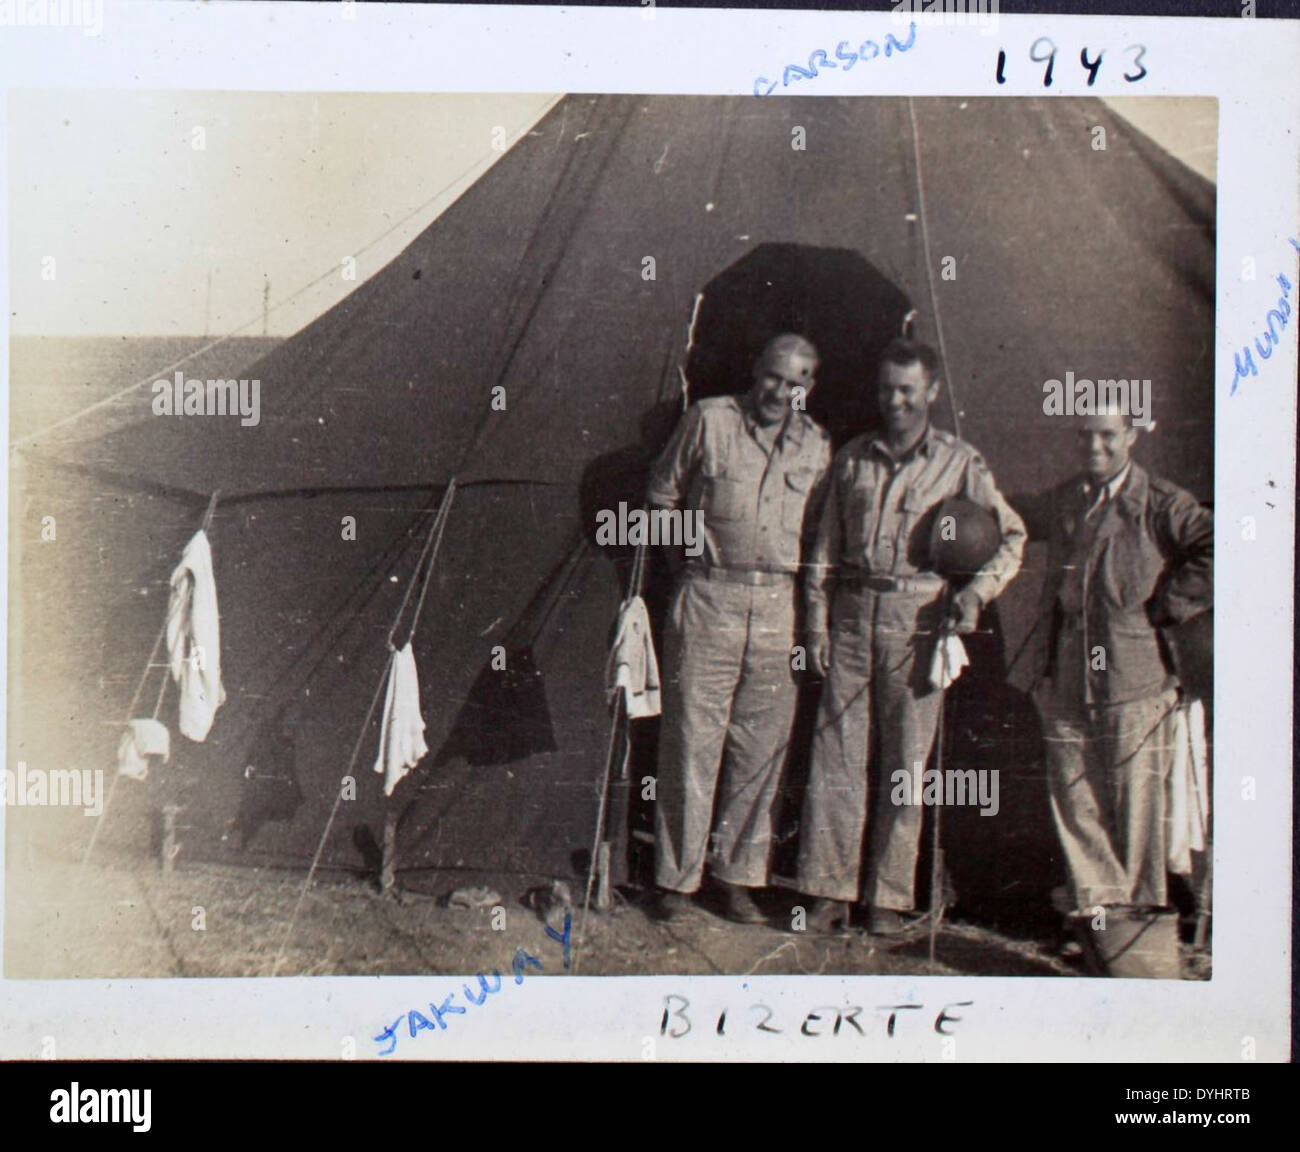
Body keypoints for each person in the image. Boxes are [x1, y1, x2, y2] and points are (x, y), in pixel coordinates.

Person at [796, 338, 1026, 934]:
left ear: (931, 392)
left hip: (916, 621)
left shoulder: (959, 462)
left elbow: (1013, 537)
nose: (894, 401)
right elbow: (821, 551)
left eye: (906, 390)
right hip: (851, 613)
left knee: (905, 764)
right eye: (885, 389)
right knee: (836, 757)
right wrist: (814, 624)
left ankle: (887, 899)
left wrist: (974, 594)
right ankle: (827, 891)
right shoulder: (852, 458)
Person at [1009, 408, 1212, 970]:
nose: (1094, 447)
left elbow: (1218, 545)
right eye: (1085, 436)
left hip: (1134, 679)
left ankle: (1139, 945)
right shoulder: (1071, 497)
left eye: (1107, 436)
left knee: (1136, 816)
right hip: (1071, 678)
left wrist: (1169, 605)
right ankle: (1099, 929)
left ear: (1132, 436)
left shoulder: (1161, 502)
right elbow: (1021, 512)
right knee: (1078, 807)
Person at [647, 333, 832, 924]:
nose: (782, 390)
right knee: (692, 741)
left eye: (797, 381)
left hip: (779, 607)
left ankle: (736, 877)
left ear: (810, 389)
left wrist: (811, 621)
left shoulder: (817, 447)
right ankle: (675, 880)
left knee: (760, 749)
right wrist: (688, 568)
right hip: (709, 596)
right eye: (775, 376)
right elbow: (660, 499)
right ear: (756, 369)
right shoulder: (709, 420)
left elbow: (822, 541)